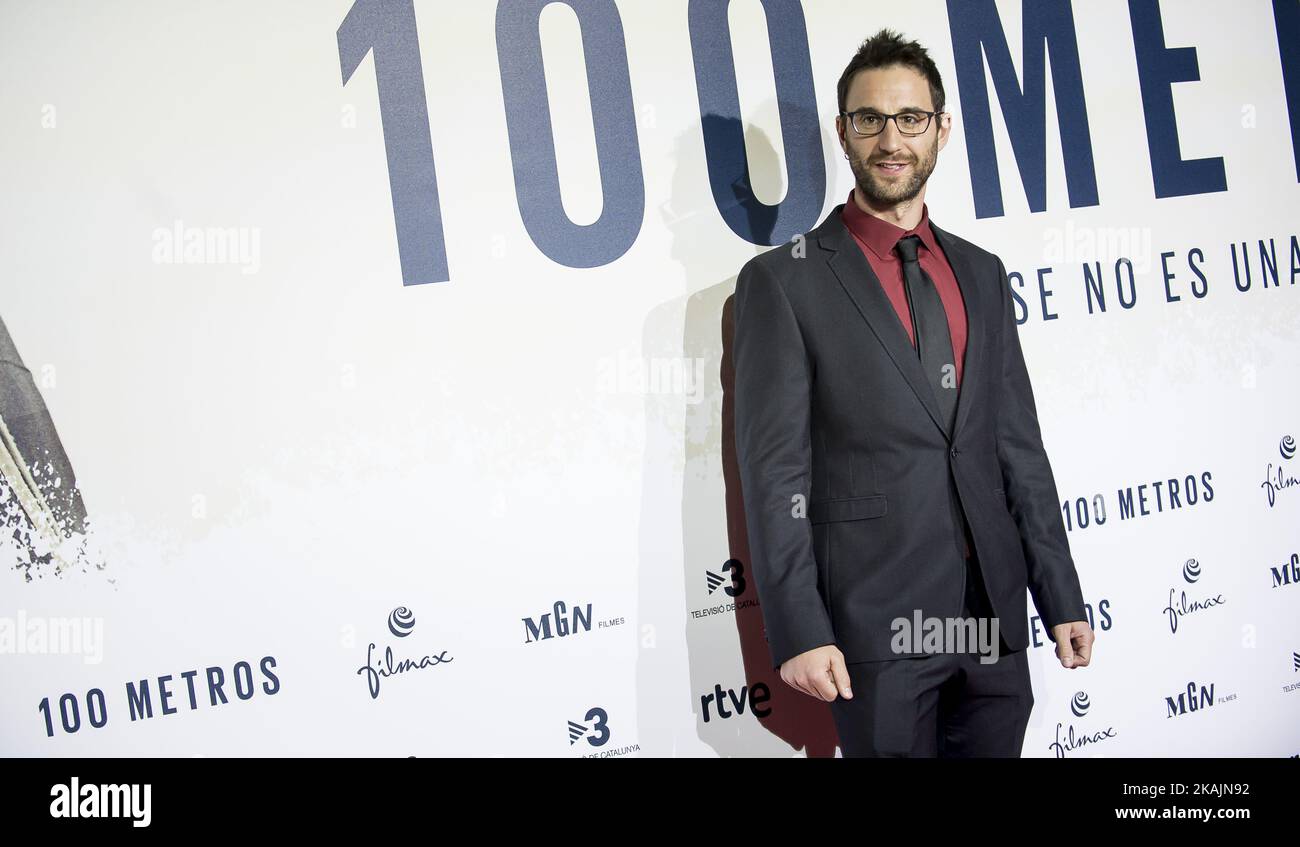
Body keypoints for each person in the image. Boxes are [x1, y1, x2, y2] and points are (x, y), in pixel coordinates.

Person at [732, 28, 1095, 757]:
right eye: (869, 119)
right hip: (875, 625)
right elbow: (774, 475)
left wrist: (1059, 594)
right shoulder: (785, 281)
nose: (890, 139)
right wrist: (802, 629)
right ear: (843, 134)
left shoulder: (982, 272)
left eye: (910, 118)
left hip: (991, 616)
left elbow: (1017, 445)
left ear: (941, 128)